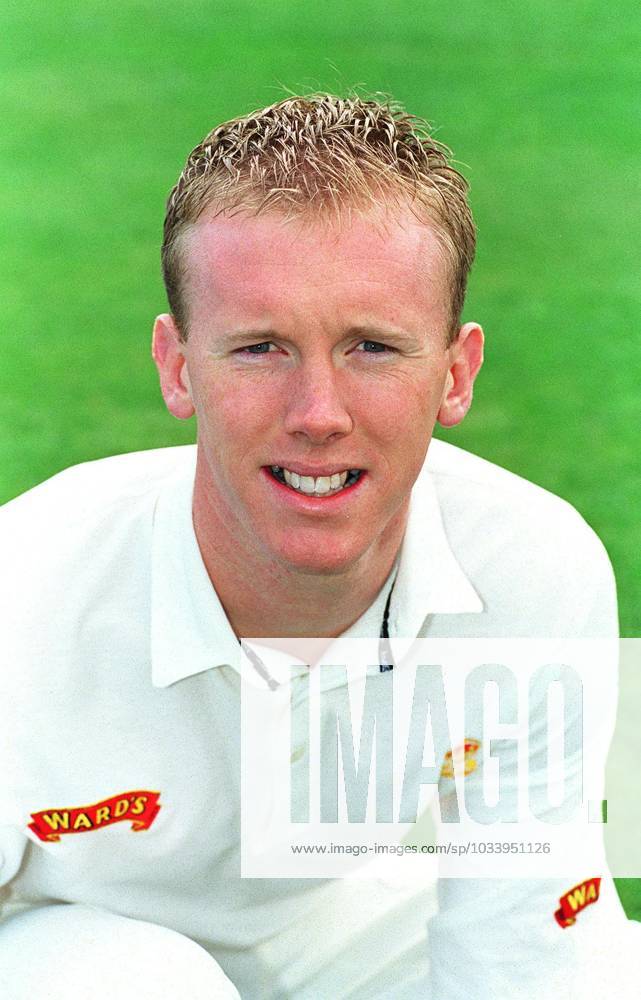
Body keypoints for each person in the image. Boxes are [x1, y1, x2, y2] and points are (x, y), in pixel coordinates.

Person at [0, 93, 637, 999]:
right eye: (260, 348)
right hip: (49, 946)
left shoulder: (532, 564)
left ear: (454, 374)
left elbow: (522, 946)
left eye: (372, 348)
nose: (318, 416)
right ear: (178, 365)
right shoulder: (23, 588)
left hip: (332, 927)